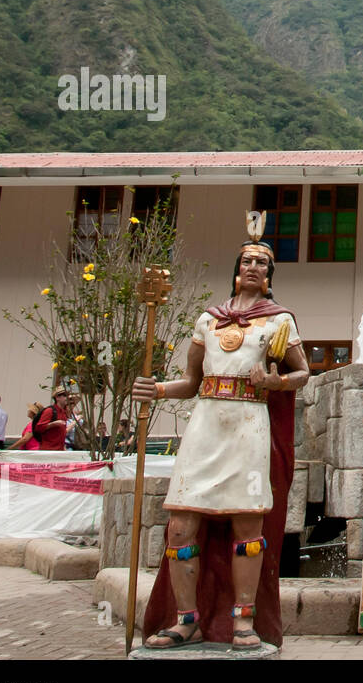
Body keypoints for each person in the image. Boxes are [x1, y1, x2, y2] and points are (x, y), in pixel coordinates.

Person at [132, 227, 309, 649]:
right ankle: (186, 619)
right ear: (236, 270)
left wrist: (275, 380)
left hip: (248, 426)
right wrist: (155, 389)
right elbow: (192, 382)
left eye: (261, 263)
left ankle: (243, 620)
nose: (253, 267)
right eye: (247, 261)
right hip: (206, 424)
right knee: (181, 526)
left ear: (269, 274)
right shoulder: (208, 320)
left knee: (247, 523)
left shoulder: (278, 319)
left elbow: (303, 372)